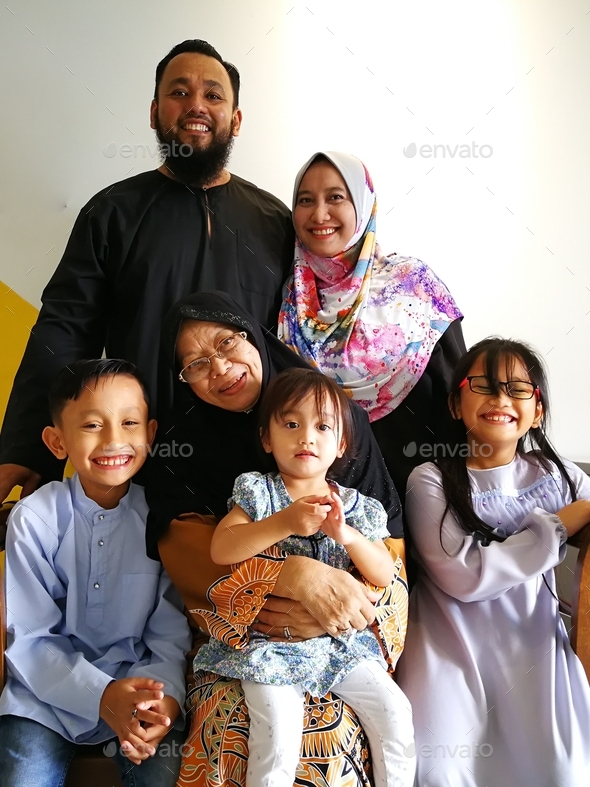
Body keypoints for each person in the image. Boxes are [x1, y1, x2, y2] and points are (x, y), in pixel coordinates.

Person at [0, 38, 294, 502]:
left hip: (261, 471)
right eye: (179, 93)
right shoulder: (112, 213)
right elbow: (64, 331)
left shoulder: (277, 222)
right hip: (138, 468)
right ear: (155, 112)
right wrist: (25, 446)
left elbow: (297, 340)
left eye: (213, 95)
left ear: (235, 120)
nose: (196, 105)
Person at [144, 290, 410, 786]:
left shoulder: (332, 416)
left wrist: (348, 605)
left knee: (355, 733)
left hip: (344, 637)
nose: (220, 368)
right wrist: (285, 575)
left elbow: (388, 561)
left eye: (227, 343)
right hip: (245, 637)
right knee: (243, 733)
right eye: (196, 363)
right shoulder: (187, 451)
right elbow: (192, 550)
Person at [192, 367, 416, 787]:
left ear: (341, 443)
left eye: (322, 426)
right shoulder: (258, 492)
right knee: (278, 731)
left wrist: (346, 534)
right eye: (291, 424)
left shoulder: (357, 506)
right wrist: (285, 522)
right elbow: (223, 549)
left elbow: (385, 572)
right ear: (266, 438)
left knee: (395, 713)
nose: (306, 437)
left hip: (339, 646)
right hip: (269, 647)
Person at [395, 338, 590, 786]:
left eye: (518, 389)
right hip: (449, 648)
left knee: (562, 769)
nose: (501, 399)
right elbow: (465, 576)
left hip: (535, 645)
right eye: (483, 386)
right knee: (440, 768)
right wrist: (556, 525)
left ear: (537, 410)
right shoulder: (431, 479)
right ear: (455, 404)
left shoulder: (557, 472)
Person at [0, 359, 192, 786]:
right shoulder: (35, 518)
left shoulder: (162, 519)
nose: (114, 440)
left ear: (151, 433)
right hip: (41, 698)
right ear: (56, 441)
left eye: (129, 423)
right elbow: (31, 636)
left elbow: (167, 634)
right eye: (91, 426)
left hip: (140, 689)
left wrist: (165, 704)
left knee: (170, 776)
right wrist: (102, 696)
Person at [278, 151, 465, 502]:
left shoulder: (415, 286)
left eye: (336, 197)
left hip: (425, 494)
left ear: (363, 206)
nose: (319, 214)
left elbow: (459, 393)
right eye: (305, 200)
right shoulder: (289, 301)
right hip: (329, 508)